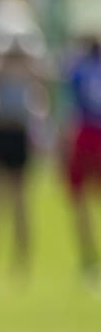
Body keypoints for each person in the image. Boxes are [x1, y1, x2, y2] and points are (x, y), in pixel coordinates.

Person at [0, 33, 48, 281]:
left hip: (16, 137)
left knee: (19, 204)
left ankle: (20, 263)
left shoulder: (29, 77)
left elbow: (41, 98)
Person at [63, 34, 101, 284]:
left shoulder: (79, 69)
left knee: (79, 198)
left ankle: (88, 252)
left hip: (85, 131)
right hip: (93, 131)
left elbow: (71, 100)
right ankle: (89, 254)